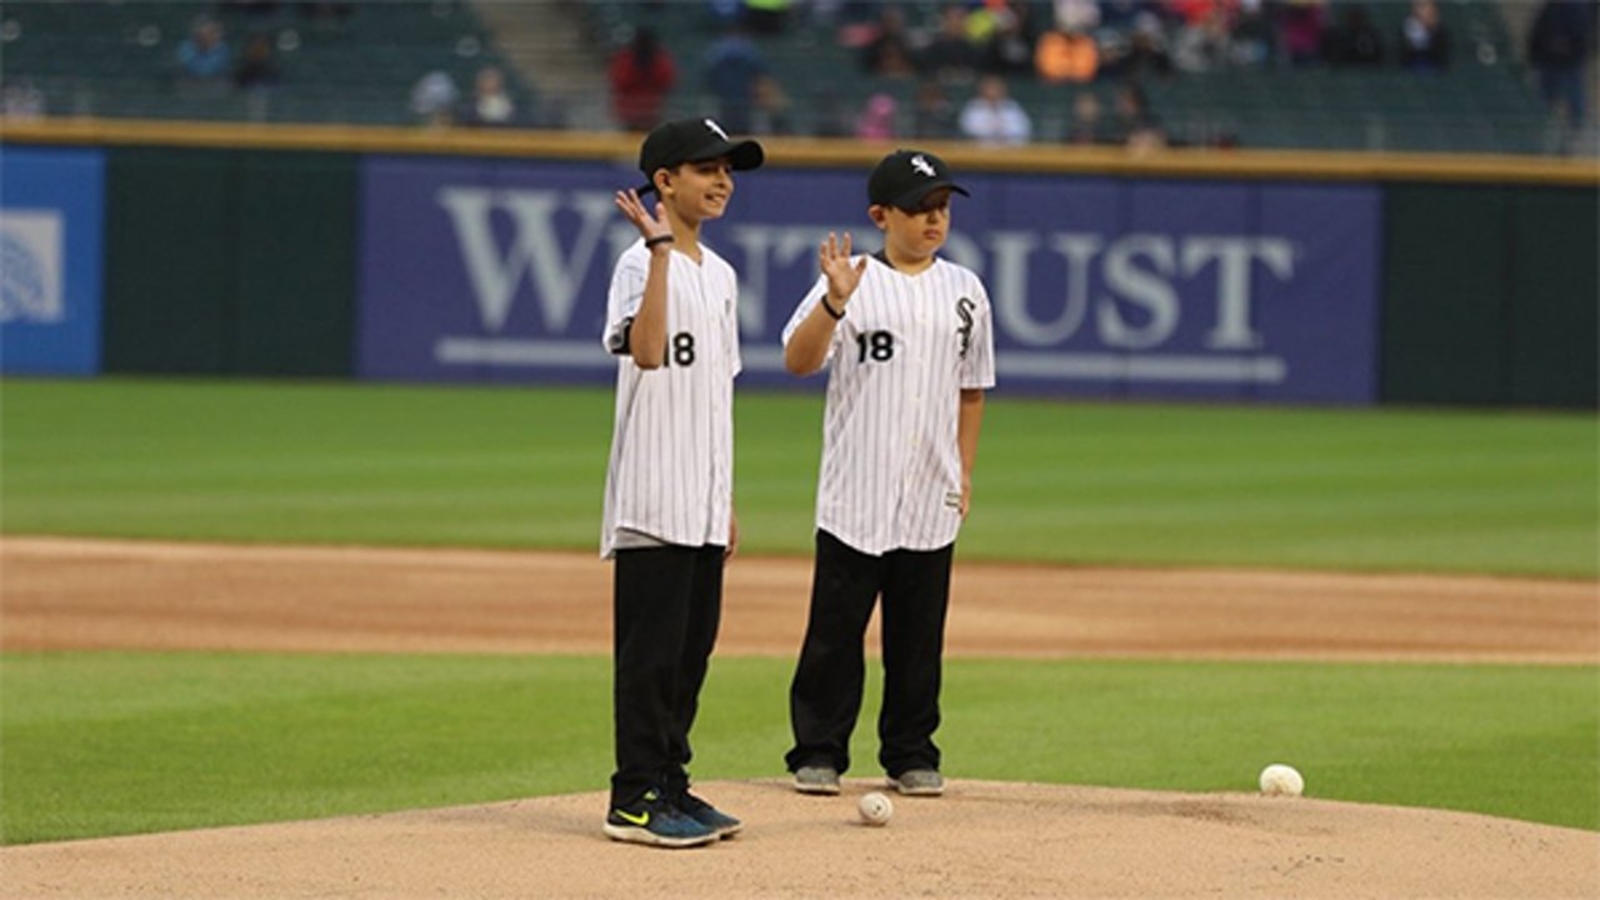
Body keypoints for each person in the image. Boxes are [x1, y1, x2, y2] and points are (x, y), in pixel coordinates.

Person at [779, 149, 996, 800]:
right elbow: (798, 360)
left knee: (918, 638)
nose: (934, 220)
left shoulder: (965, 290)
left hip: (931, 490)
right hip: (857, 488)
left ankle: (911, 752)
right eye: (920, 208)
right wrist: (833, 303)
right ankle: (818, 751)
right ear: (881, 216)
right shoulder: (853, 279)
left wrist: (965, 469)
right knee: (834, 634)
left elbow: (972, 389)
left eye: (942, 207)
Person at [600, 118, 765, 849]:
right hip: (652, 493)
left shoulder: (722, 275)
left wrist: (724, 499)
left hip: (700, 498)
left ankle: (671, 783)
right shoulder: (638, 264)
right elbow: (647, 351)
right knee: (650, 658)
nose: (723, 180)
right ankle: (634, 797)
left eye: (728, 169)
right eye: (707, 168)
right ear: (664, 182)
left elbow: (718, 394)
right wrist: (661, 252)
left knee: (692, 653)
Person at [608, 27, 677, 132]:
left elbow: (667, 81)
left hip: (649, 110)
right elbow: (620, 81)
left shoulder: (659, 60)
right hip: (633, 110)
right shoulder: (627, 59)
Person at [957, 74, 1032, 144]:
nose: (994, 90)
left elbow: (1022, 129)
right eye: (990, 87)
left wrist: (1004, 136)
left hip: (1010, 149)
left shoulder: (1012, 106)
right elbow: (969, 130)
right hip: (979, 149)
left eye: (997, 87)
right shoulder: (973, 107)